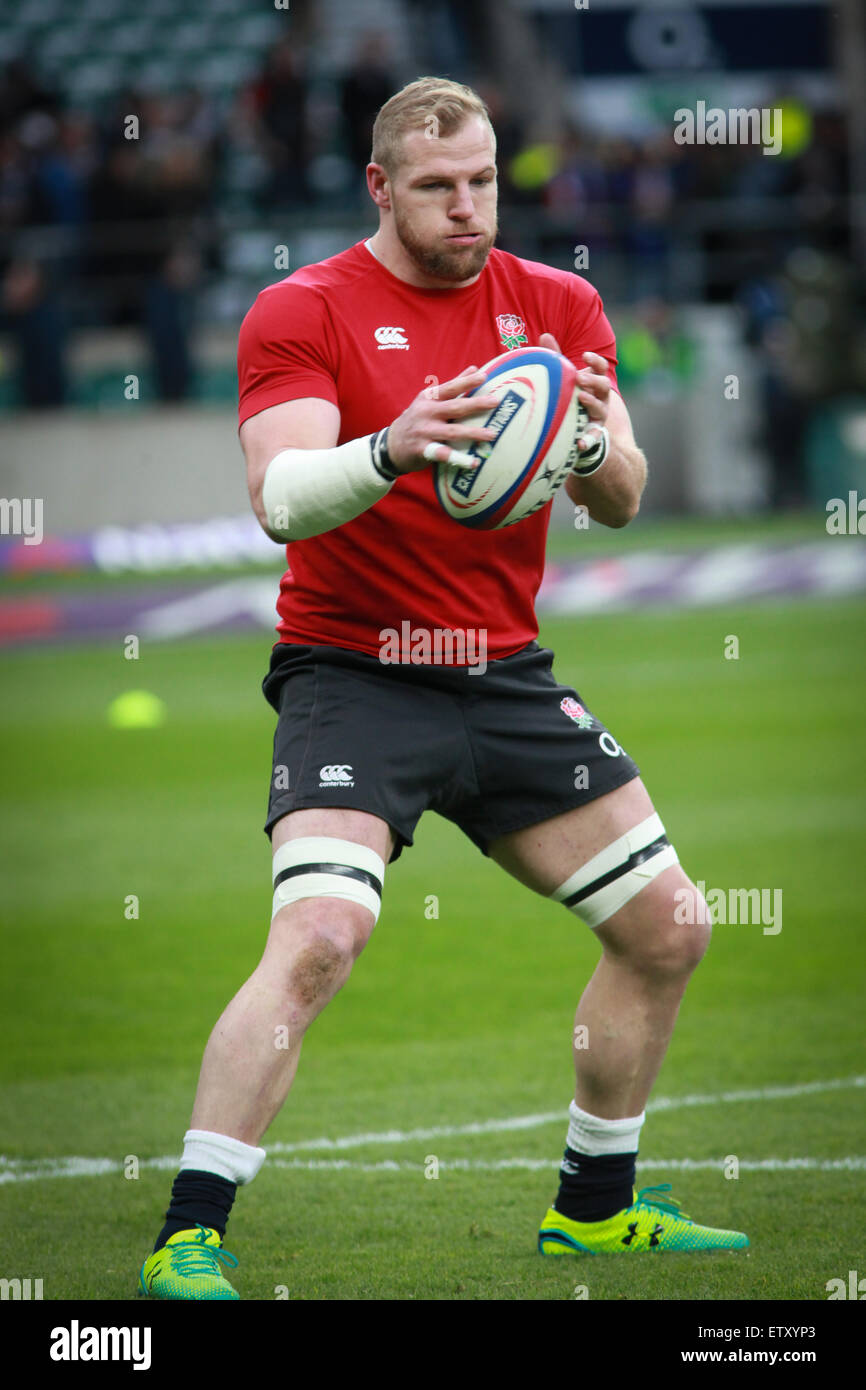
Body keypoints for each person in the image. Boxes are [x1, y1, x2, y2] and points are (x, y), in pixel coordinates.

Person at [139, 77, 748, 1300]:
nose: (466, 207)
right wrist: (391, 446)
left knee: (669, 924)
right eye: (435, 187)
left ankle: (593, 1209)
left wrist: (587, 445)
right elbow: (278, 497)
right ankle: (189, 1232)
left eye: (480, 180)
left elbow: (619, 495)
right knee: (320, 934)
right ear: (379, 186)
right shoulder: (300, 309)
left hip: (502, 673)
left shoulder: (557, 303)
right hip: (353, 672)